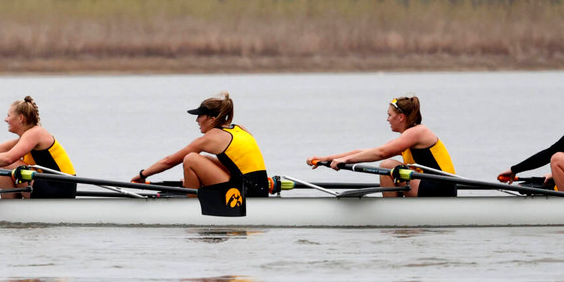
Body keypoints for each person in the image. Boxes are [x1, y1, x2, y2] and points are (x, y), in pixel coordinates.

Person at [307, 94, 457, 197]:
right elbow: (368, 151)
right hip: (428, 185)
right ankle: (394, 211)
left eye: (389, 115)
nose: (387, 119)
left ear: (401, 117)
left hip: (442, 187)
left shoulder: (418, 132)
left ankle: (392, 213)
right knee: (388, 165)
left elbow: (382, 153)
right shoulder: (407, 137)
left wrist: (346, 161)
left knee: (387, 165)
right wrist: (324, 159)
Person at [131, 92, 270, 197]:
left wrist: (142, 175)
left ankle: (193, 207)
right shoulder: (241, 128)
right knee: (206, 159)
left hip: (242, 193)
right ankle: (195, 188)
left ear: (212, 119)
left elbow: (169, 161)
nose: (197, 120)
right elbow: (237, 167)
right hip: (260, 188)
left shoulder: (211, 138)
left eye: (200, 115)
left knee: (191, 158)